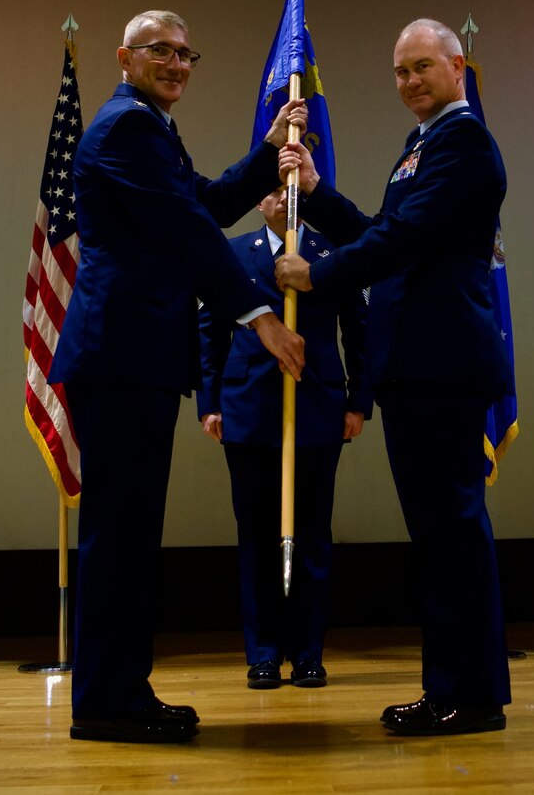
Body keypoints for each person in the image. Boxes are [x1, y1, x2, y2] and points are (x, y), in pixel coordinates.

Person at [48, 10, 307, 743]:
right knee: (118, 538)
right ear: (125, 56)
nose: (176, 63)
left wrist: (268, 154)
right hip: (122, 355)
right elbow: (191, 232)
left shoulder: (150, 129)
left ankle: (121, 691)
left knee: (129, 538)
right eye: (160, 50)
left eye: (186, 53)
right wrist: (259, 316)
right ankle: (105, 701)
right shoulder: (126, 127)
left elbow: (203, 204)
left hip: (135, 358)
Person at [275, 18, 512, 736]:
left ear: (457, 65)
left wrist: (316, 274)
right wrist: (315, 194)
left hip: (443, 359)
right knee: (437, 539)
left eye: (421, 67)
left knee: (452, 534)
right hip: (413, 361)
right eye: (400, 71)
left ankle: (468, 695)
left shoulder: (464, 141)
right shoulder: (421, 145)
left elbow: (404, 239)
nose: (409, 81)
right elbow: (386, 228)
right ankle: (450, 686)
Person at [197, 186, 371, 691]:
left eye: (289, 186)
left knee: (314, 533)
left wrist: (358, 401)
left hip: (317, 408)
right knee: (255, 535)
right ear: (258, 200)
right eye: (271, 187)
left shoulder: (330, 256)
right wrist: (210, 403)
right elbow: (210, 329)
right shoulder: (232, 253)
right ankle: (264, 653)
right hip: (247, 408)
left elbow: (359, 328)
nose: (281, 195)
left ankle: (309, 652)